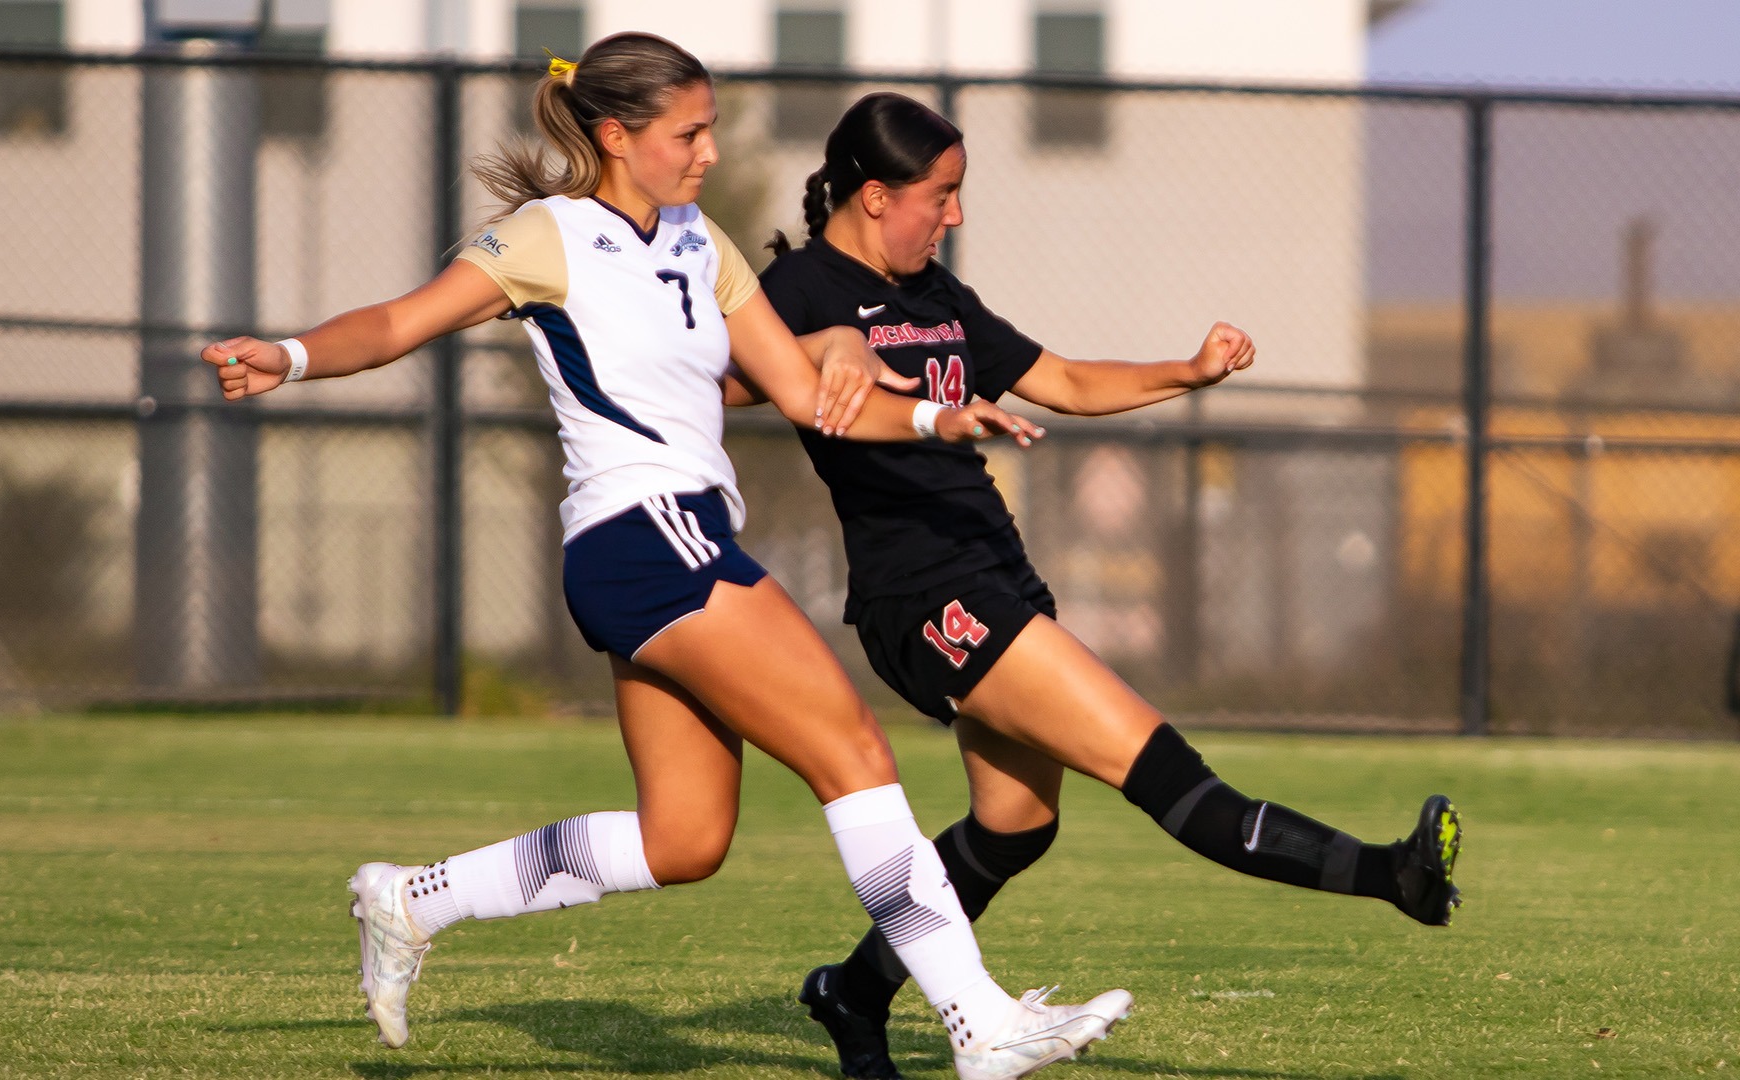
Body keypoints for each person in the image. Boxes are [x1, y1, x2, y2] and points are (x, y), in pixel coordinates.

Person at [202, 36, 1132, 1080]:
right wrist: (285, 356)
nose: (706, 152)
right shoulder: (546, 237)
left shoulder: (702, 241)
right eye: (687, 133)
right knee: (854, 757)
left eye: (710, 130)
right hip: (645, 537)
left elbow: (800, 394)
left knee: (682, 840)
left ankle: (412, 899)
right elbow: (397, 324)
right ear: (615, 136)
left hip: (670, 545)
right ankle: (981, 1026)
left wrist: (930, 417)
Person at [744, 92, 1464, 1080]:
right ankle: (1394, 875)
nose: (955, 216)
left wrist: (1190, 370)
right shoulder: (796, 293)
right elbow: (721, 381)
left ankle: (853, 992)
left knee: (1016, 826)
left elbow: (1069, 380)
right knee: (1164, 772)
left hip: (995, 574)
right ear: (875, 196)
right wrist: (827, 352)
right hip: (927, 601)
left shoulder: (934, 294)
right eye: (942, 195)